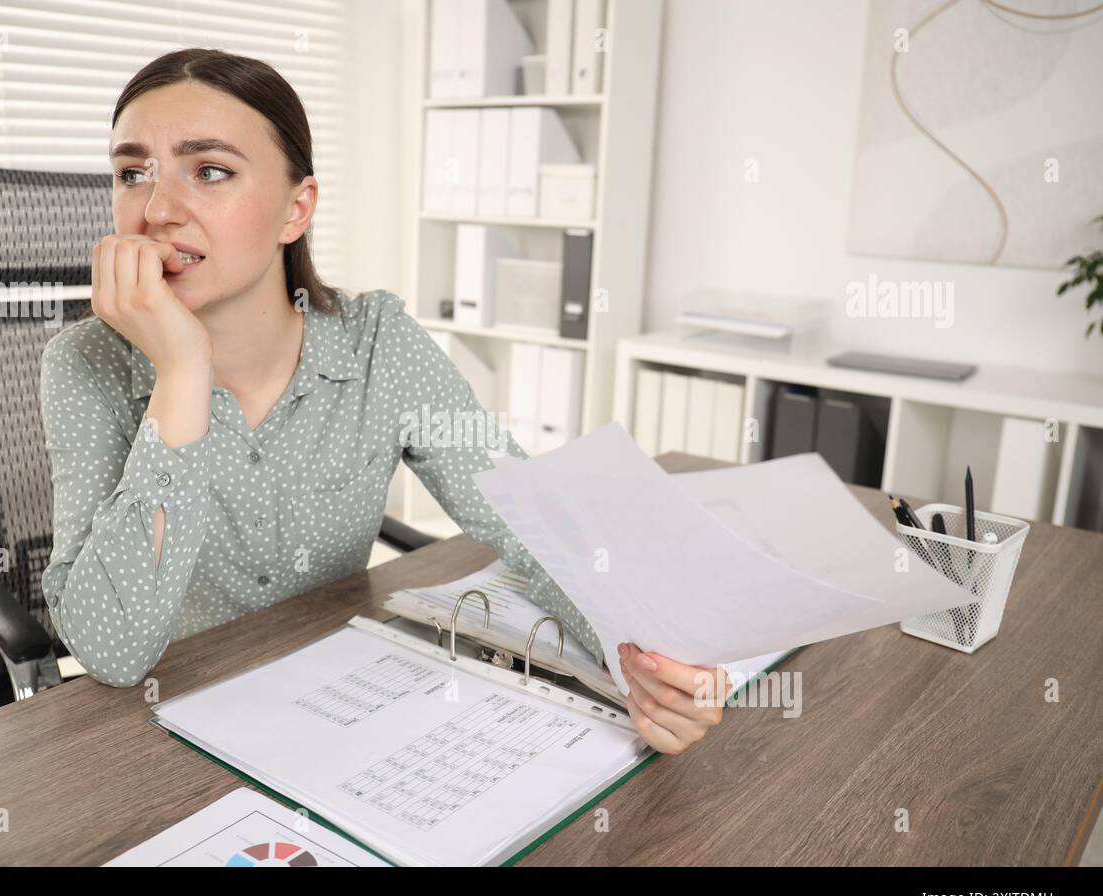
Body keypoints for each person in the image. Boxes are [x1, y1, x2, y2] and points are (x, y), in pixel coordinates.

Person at [39, 48, 728, 755]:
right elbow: (111, 651)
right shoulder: (84, 363)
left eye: (209, 170)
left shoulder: (376, 342)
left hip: (338, 709)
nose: (155, 211)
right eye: (132, 174)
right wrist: (182, 373)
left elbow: (527, 517)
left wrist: (639, 658)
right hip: (162, 735)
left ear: (294, 208)